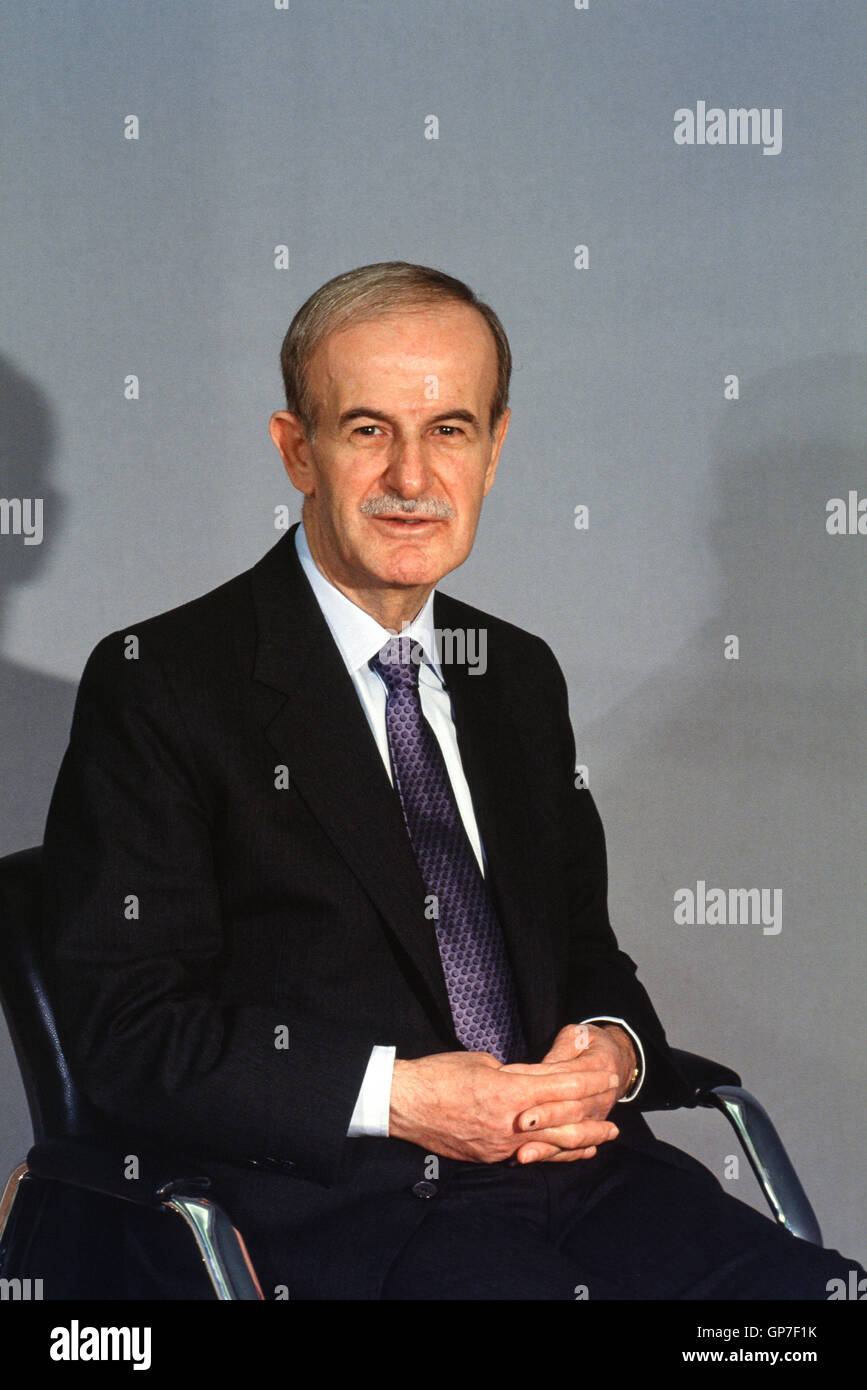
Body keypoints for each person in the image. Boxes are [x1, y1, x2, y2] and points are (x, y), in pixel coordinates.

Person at [43, 262, 862, 1299]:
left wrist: (610, 1054)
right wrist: (403, 1097)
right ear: (297, 447)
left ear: (497, 447)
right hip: (343, 1212)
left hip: (579, 1178)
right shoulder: (163, 685)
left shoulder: (514, 675)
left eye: (451, 430)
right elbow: (128, 1032)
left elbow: (584, 954)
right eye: (368, 429)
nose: (413, 480)